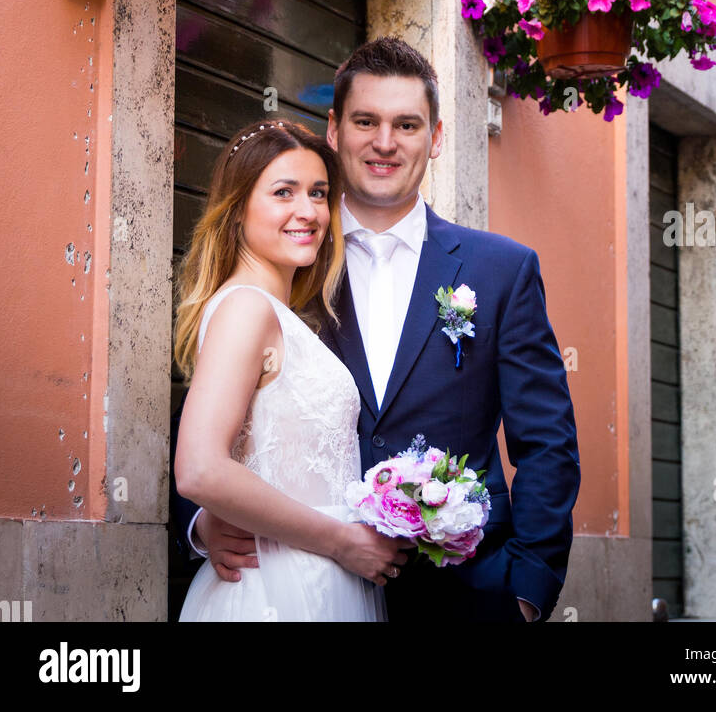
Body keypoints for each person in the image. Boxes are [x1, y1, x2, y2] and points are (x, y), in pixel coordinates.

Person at [175, 37, 580, 623]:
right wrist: (201, 522)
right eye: (366, 121)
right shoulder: (287, 267)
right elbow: (212, 426)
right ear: (335, 130)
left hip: (465, 593)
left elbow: (547, 442)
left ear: (436, 137)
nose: (385, 143)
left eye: (407, 124)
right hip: (303, 584)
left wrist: (527, 590)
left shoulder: (502, 270)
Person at [173, 118, 409, 622]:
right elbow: (199, 468)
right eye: (284, 192)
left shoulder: (282, 316)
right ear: (237, 211)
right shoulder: (246, 309)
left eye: (319, 194)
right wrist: (343, 541)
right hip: (279, 590)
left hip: (321, 580)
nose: (309, 212)